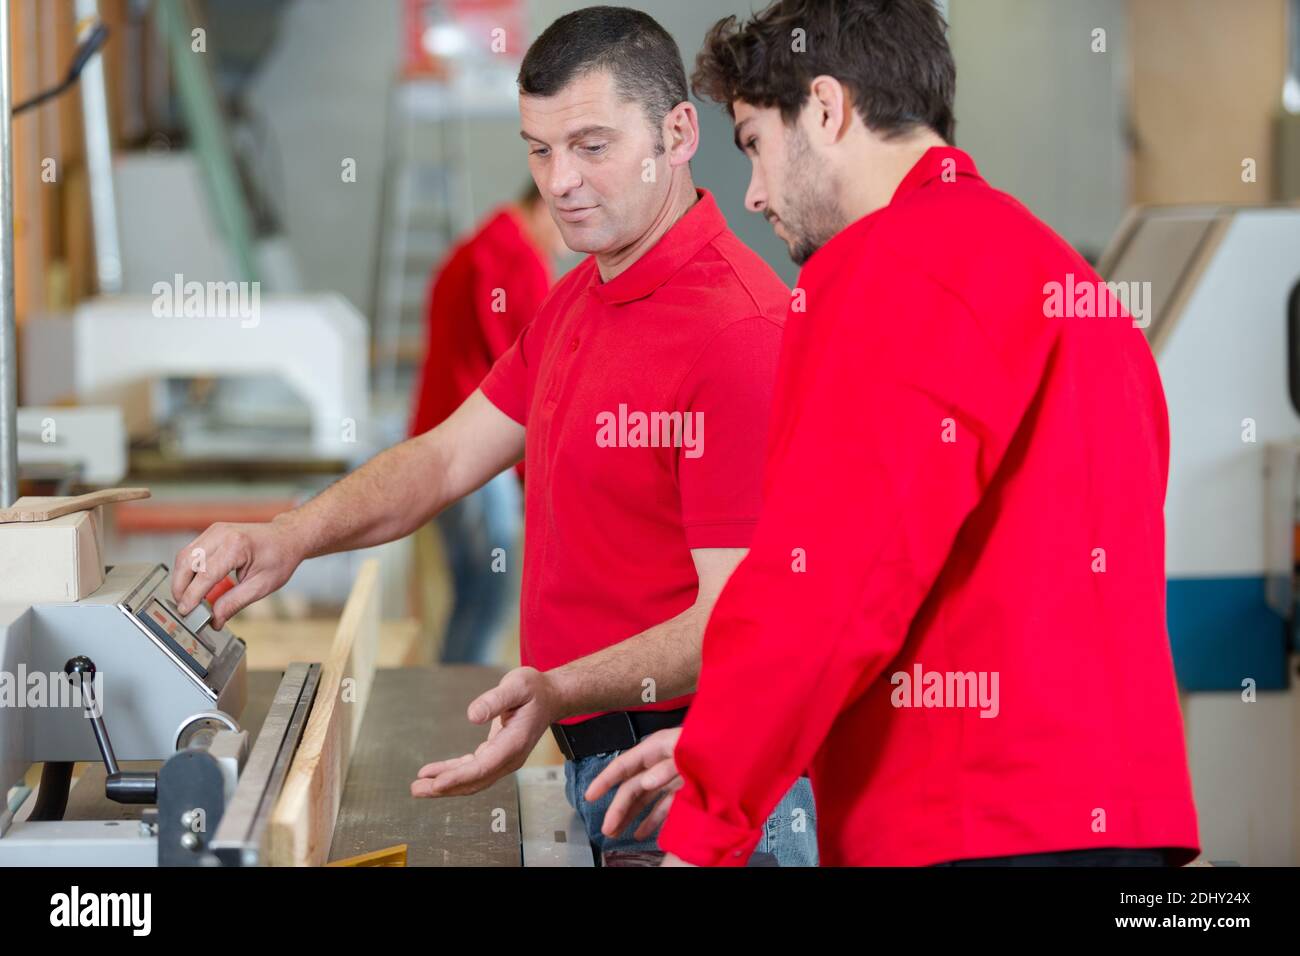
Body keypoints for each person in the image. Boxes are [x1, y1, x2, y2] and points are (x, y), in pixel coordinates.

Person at [169, 6, 817, 865]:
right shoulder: (578, 302)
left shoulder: (738, 333)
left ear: (679, 131)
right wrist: (289, 536)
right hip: (604, 769)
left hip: (697, 789)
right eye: (538, 149)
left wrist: (556, 688)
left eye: (592, 146)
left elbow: (731, 621)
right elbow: (442, 457)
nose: (560, 181)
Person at [590, 0, 1200, 868]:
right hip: (1121, 834)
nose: (754, 192)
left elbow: (826, 588)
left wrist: (708, 823)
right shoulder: (1073, 285)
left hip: (965, 832)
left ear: (829, 109)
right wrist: (714, 748)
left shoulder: (886, 271)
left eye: (756, 143)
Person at [409, 182, 565, 664]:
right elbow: (537, 373)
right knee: (488, 598)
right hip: (475, 451)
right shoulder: (518, 257)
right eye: (562, 222)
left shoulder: (476, 246)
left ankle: (450, 709)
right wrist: (535, 473)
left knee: (471, 592)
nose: (565, 243)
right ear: (541, 205)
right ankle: (462, 719)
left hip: (439, 436)